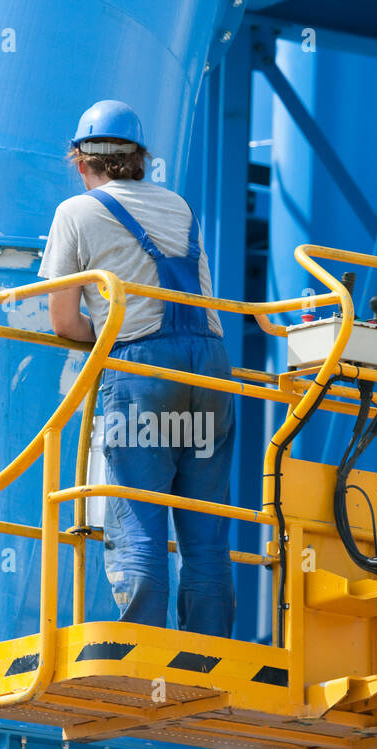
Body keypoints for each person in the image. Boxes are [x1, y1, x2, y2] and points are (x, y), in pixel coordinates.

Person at [37, 99, 236, 639]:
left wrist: (103, 341)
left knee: (138, 512)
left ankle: (144, 646)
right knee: (205, 527)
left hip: (144, 370)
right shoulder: (179, 206)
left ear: (81, 162)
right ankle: (209, 652)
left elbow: (62, 320)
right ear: (140, 160)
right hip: (210, 373)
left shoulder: (74, 213)